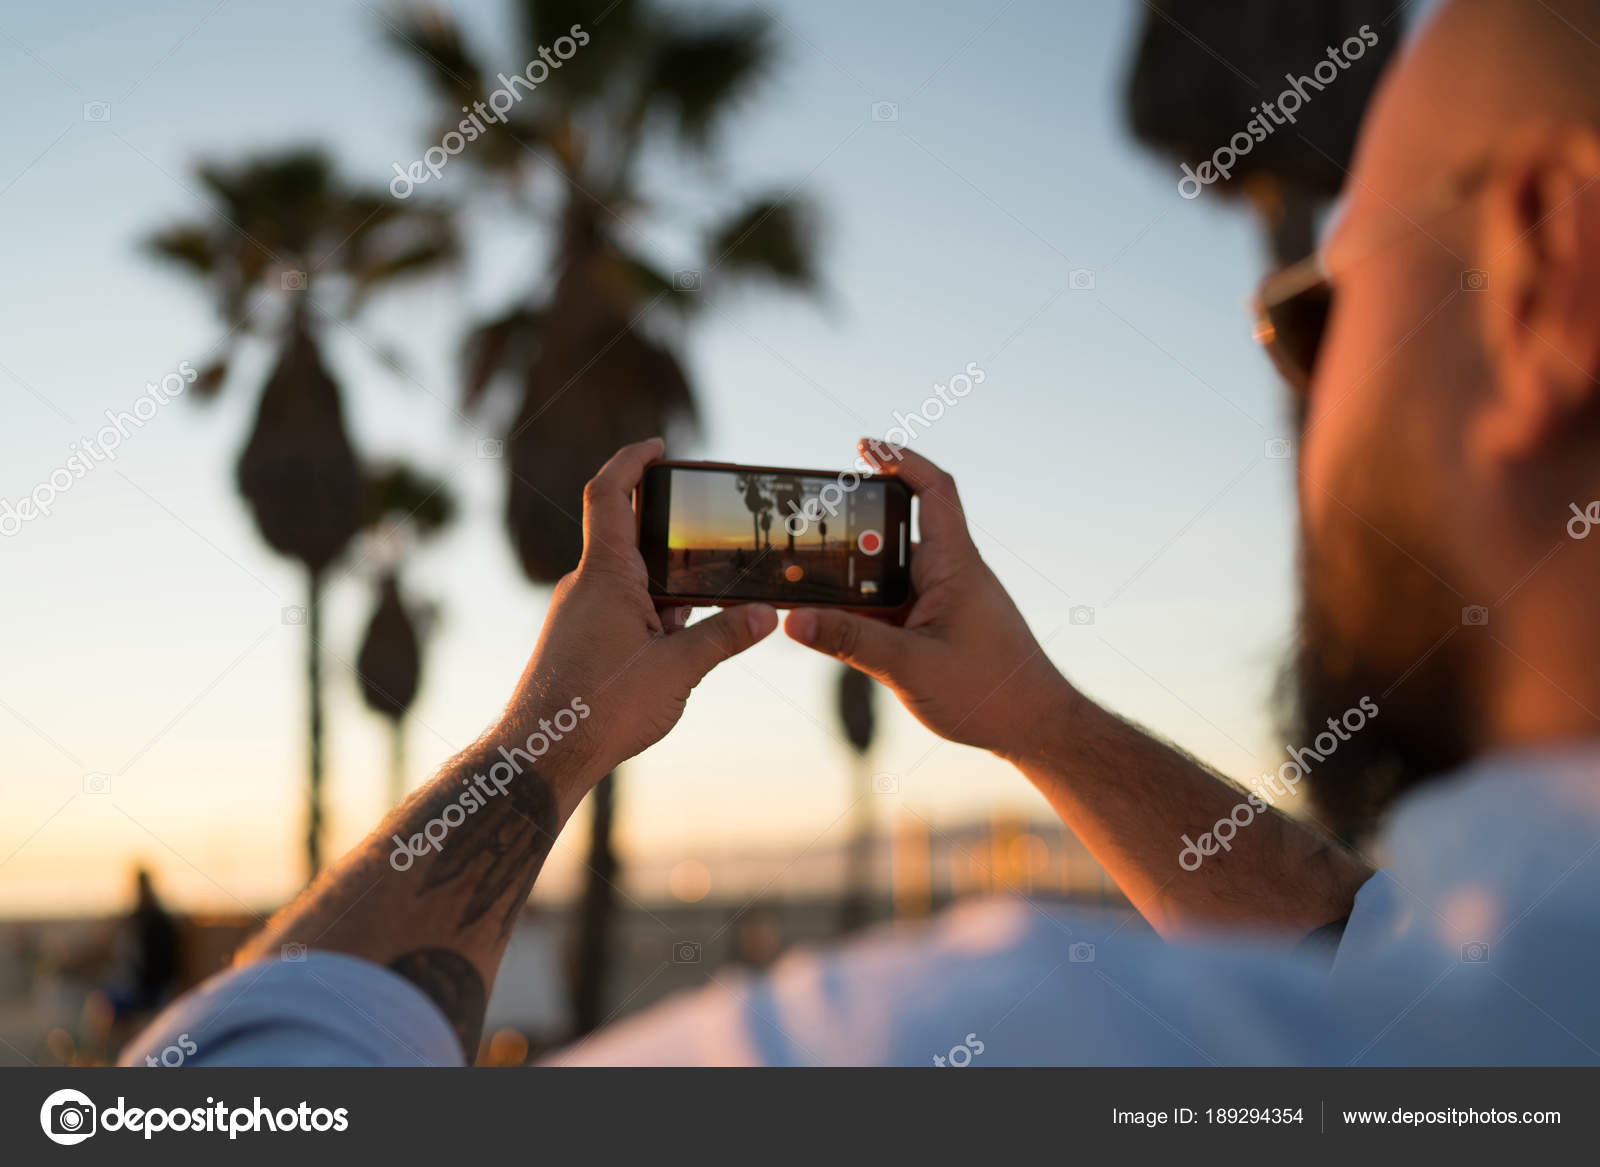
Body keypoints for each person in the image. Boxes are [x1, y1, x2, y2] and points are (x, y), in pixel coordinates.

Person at [125, 0, 1600, 1065]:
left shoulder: (995, 1042)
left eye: (1311, 316)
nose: (1303, 393)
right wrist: (1039, 718)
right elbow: (1366, 946)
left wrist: (547, 741)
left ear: (1552, 279)